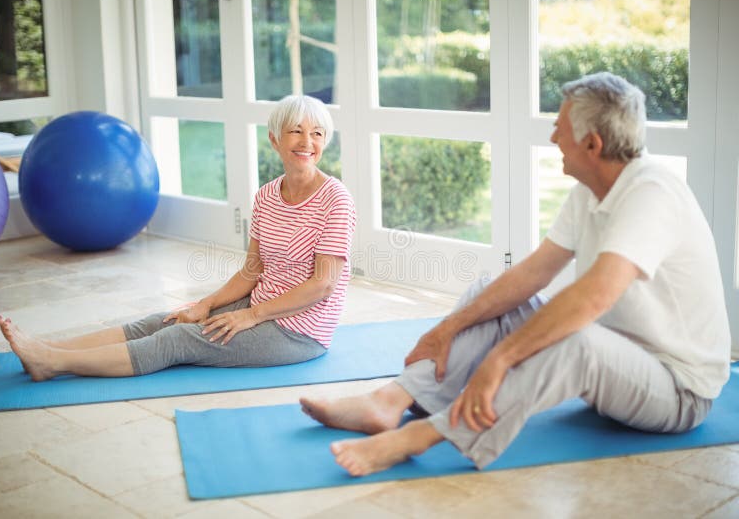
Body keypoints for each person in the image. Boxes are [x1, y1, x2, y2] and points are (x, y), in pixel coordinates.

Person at [300, 72, 731, 476]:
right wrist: (447, 328)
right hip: (615, 361)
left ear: (593, 144)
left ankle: (420, 437)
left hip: (676, 391)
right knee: (494, 296)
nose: (553, 136)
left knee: (579, 339)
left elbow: (593, 297)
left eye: (560, 126)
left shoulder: (652, 192)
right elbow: (532, 275)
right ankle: (388, 402)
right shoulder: (590, 192)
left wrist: (501, 360)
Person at [0, 94, 356, 381]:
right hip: (260, 306)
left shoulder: (335, 199)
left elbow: (322, 286)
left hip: (300, 331)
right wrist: (206, 304)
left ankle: (52, 364)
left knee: (178, 341)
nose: (306, 141)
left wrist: (252, 316)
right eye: (296, 131)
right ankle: (51, 348)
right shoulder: (266, 196)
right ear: (275, 139)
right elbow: (252, 271)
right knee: (168, 320)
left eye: (317, 133)